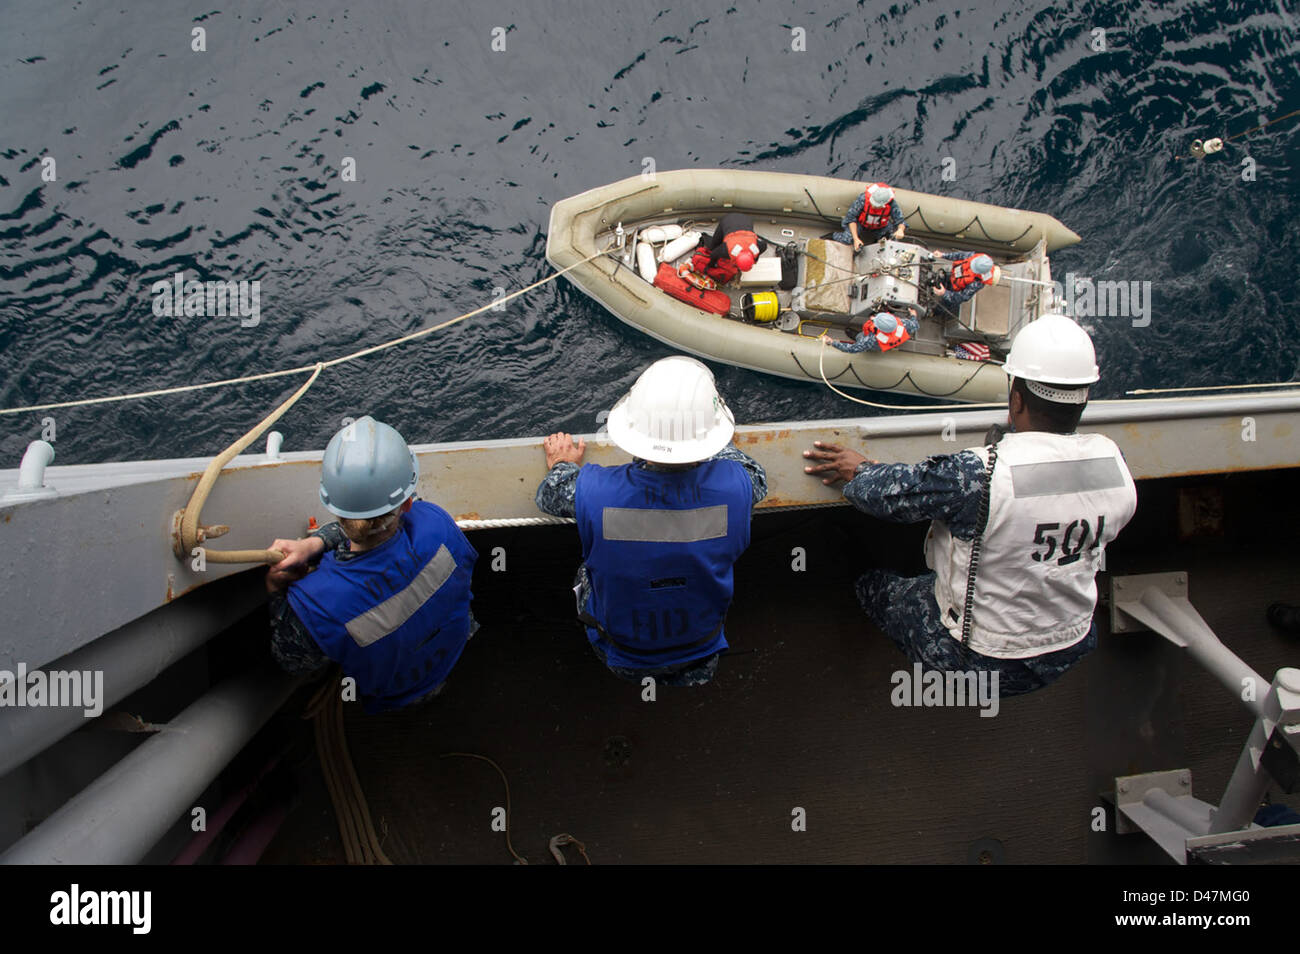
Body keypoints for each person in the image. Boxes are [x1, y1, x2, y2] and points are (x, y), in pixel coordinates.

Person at [803, 314, 1137, 697]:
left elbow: (887, 498)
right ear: (1084, 396)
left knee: (878, 587)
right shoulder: (1114, 463)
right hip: (1071, 642)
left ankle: (859, 581)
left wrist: (858, 469)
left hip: (980, 662)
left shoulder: (978, 474)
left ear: (1016, 398)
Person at [535, 356, 767, 687]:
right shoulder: (739, 487)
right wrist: (704, 435)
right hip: (702, 655)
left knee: (588, 568)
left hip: (621, 655)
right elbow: (754, 474)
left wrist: (562, 463)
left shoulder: (596, 490)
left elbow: (550, 495)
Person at [264, 416, 478, 713]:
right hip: (451, 653)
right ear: (406, 503)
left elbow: (292, 662)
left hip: (398, 691)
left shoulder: (317, 604)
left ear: (332, 506)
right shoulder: (438, 526)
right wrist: (317, 544)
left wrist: (276, 591)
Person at [691, 211, 769, 284]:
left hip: (746, 220)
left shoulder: (756, 247)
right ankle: (703, 236)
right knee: (713, 247)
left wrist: (755, 259)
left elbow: (764, 246)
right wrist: (712, 265)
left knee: (718, 248)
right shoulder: (727, 250)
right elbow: (713, 254)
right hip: (728, 221)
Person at [833, 182, 905, 249]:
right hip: (861, 224)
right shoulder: (863, 199)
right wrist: (856, 239)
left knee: (893, 239)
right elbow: (851, 218)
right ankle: (833, 236)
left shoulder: (891, 204)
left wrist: (900, 230)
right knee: (847, 239)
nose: (873, 206)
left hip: (880, 226)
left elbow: (900, 221)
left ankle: (879, 244)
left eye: (876, 205)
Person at [827, 307, 921, 354]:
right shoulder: (904, 324)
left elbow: (852, 349)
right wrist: (913, 315)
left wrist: (832, 342)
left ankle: (856, 336)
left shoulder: (871, 339)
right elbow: (915, 324)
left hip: (877, 345)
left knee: (860, 337)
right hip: (893, 341)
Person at [929, 251, 1000, 312]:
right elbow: (959, 255)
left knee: (946, 304)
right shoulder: (974, 257)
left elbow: (962, 297)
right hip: (953, 275)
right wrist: (943, 255)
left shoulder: (977, 283)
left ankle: (933, 312)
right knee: (940, 279)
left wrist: (945, 293)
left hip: (955, 289)